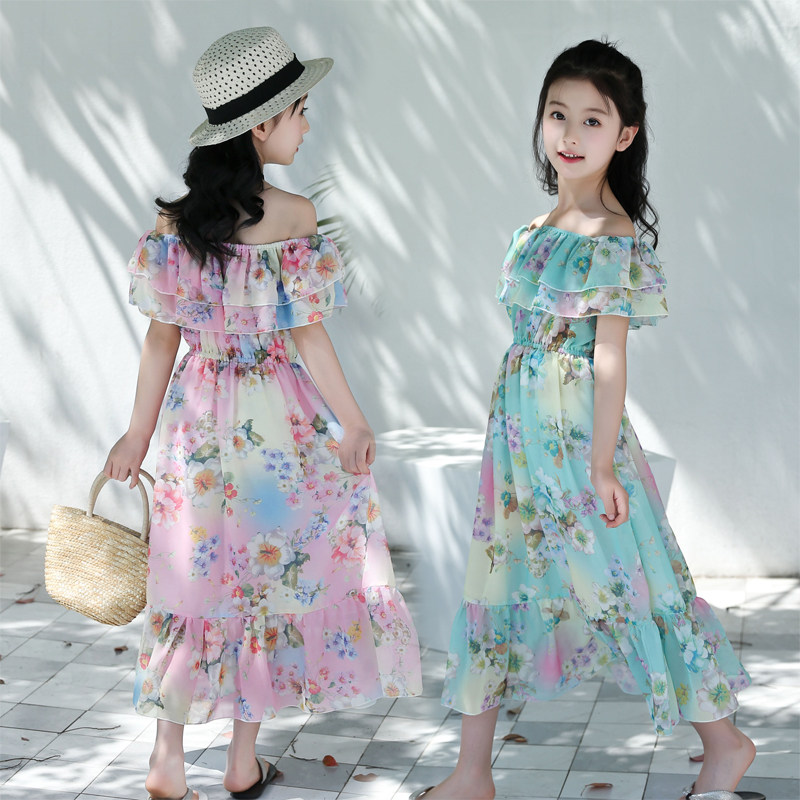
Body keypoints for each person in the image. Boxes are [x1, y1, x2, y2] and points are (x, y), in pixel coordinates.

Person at [413, 40, 759, 800]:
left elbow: (609, 360)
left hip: (575, 437)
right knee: (497, 580)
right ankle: (471, 773)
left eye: (592, 120)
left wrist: (601, 465)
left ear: (625, 135)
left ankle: (725, 743)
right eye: (557, 114)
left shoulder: (613, 239)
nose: (570, 134)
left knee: (638, 581)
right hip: (518, 439)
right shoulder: (535, 228)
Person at [104, 27, 421, 800]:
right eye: (298, 111)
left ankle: (168, 760)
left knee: (189, 581)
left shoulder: (176, 226)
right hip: (277, 424)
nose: (306, 125)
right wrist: (352, 422)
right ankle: (241, 763)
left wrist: (136, 435)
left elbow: (160, 339)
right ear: (260, 126)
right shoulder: (293, 216)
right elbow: (308, 336)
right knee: (268, 579)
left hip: (195, 426)